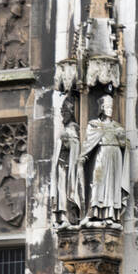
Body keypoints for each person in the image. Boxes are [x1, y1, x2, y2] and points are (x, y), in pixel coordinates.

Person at [83, 93, 128, 221]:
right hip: (102, 154)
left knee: (113, 185)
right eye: (107, 106)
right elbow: (88, 142)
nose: (110, 109)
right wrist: (83, 158)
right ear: (102, 107)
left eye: (111, 106)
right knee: (98, 182)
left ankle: (110, 214)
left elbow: (124, 145)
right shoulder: (94, 125)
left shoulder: (117, 126)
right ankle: (93, 212)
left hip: (115, 156)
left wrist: (121, 138)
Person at [54, 97, 85, 226]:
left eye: (65, 113)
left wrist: (66, 141)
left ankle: (70, 215)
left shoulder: (73, 129)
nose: (63, 116)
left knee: (67, 190)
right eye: (62, 112)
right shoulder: (67, 129)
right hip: (61, 166)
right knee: (61, 191)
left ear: (71, 113)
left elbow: (75, 146)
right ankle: (63, 215)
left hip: (67, 166)